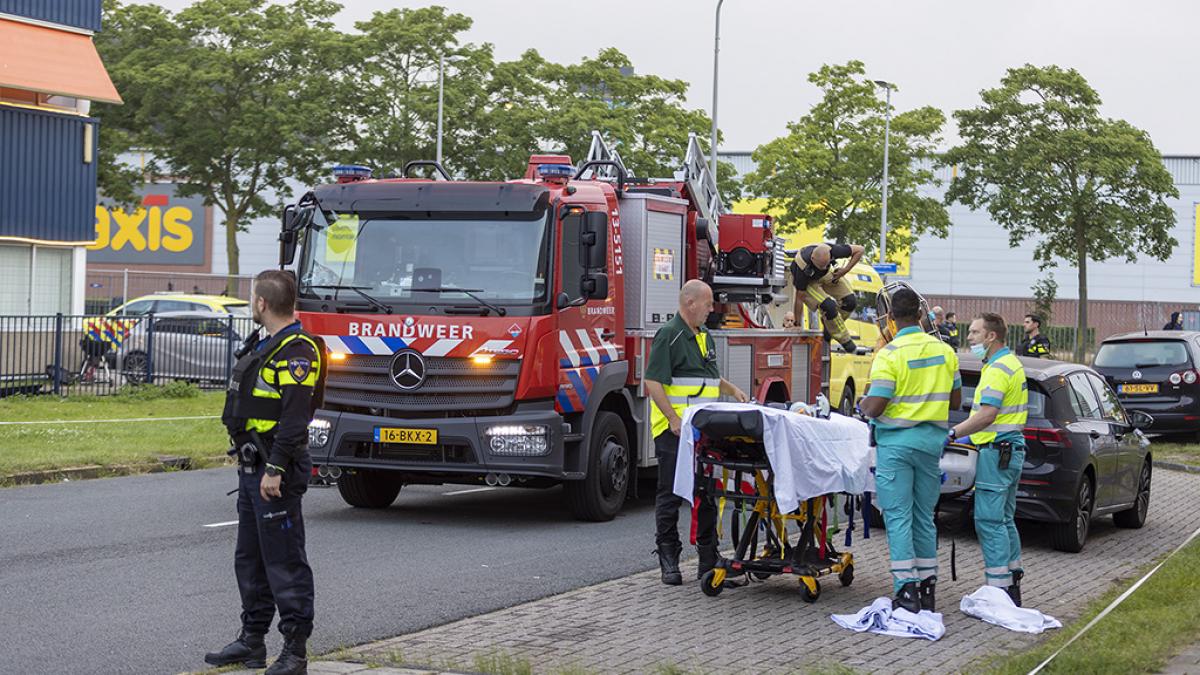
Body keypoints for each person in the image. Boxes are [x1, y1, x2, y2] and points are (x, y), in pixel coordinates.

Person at [207, 270, 326, 675]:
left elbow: (294, 422)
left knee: (285, 562)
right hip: (251, 468)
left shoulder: (297, 351)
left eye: (251, 298)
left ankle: (295, 653)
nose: (250, 303)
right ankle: (251, 641)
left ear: (261, 303)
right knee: (251, 559)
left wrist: (274, 469)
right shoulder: (264, 343)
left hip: (275, 472)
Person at [859, 287, 961, 612]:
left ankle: (906, 592)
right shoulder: (945, 351)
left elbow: (876, 406)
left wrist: (863, 402)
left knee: (899, 517)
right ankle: (928, 589)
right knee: (924, 517)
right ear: (920, 315)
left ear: (890, 318)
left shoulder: (889, 354)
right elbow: (955, 400)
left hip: (896, 447)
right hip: (931, 446)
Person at [644, 280, 749, 585]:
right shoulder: (669, 335)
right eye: (707, 303)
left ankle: (708, 561)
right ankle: (668, 557)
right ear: (689, 303)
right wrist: (673, 419)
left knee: (706, 492)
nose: (711, 308)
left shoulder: (704, 335)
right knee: (670, 493)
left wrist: (732, 390)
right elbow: (653, 383)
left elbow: (710, 377)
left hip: (702, 431)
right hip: (673, 431)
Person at [949, 313, 1028, 606]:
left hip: (997, 453)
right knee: (1005, 519)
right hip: (1010, 450)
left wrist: (954, 434)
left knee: (989, 520)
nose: (969, 338)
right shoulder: (1011, 363)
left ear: (990, 336)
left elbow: (987, 414)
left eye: (974, 332)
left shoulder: (997, 369)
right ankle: (1012, 581)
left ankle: (998, 591)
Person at [789, 242, 865, 354]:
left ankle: (829, 325)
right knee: (829, 306)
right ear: (813, 259)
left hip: (825, 275)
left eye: (826, 264)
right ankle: (845, 341)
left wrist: (845, 270)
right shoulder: (801, 268)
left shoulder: (834, 250)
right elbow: (799, 298)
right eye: (821, 266)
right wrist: (797, 324)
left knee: (849, 301)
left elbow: (860, 249)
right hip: (809, 282)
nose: (823, 268)